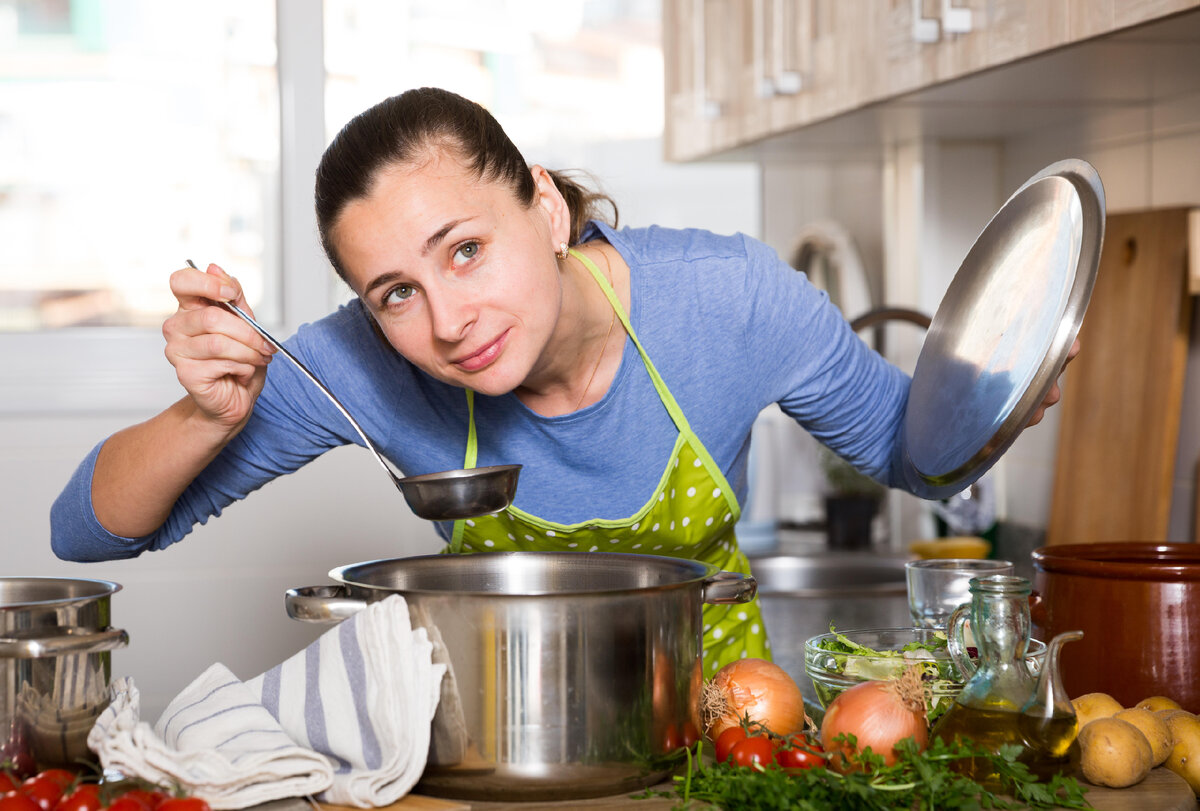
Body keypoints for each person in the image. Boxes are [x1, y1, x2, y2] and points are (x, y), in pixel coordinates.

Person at [50, 86, 1071, 675]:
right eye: (395, 291)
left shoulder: (729, 300)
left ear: (542, 209)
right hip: (498, 752)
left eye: (463, 251)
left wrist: (1001, 390)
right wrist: (205, 412)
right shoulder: (354, 365)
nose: (449, 323)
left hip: (727, 741)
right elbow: (88, 529)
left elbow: (920, 459)